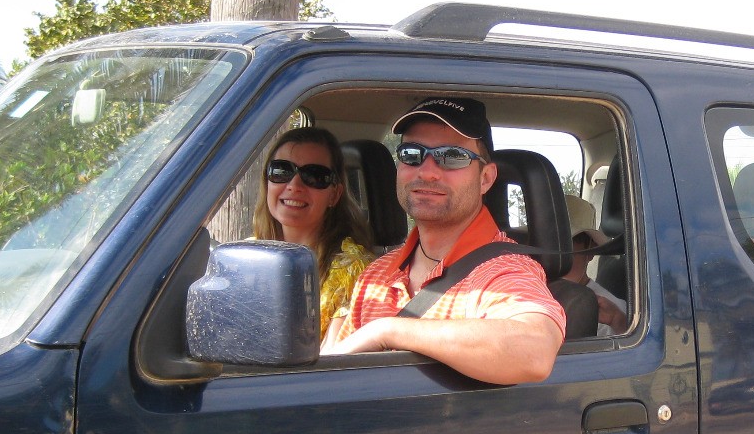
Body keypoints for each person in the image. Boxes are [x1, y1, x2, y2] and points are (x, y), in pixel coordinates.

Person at [321, 97, 565, 384]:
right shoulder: (376, 275)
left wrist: (387, 330)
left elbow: (533, 350)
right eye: (412, 154)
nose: (426, 171)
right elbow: (339, 382)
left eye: (452, 156)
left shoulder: (501, 270)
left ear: (486, 178)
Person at [253, 126, 377, 335]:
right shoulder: (245, 257)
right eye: (282, 171)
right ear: (267, 182)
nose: (294, 185)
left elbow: (334, 353)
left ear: (334, 195)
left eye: (314, 176)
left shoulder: (354, 270)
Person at [562, 193, 628, 335]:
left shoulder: (610, 315)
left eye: (566, 250)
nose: (557, 262)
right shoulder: (524, 293)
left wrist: (618, 321)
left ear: (590, 252)